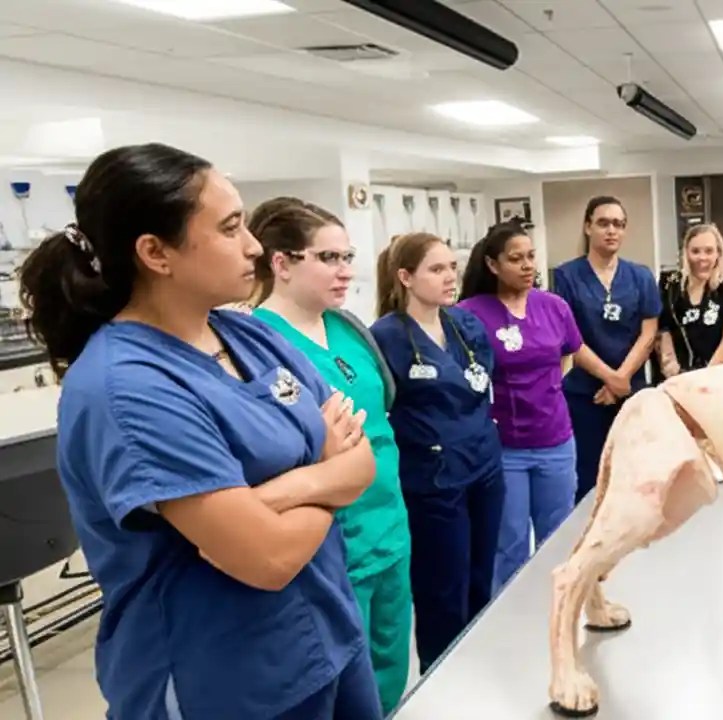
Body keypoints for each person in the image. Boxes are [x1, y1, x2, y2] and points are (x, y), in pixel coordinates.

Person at [19, 143, 382, 718]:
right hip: (221, 679)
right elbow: (266, 558)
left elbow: (362, 463)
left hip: (326, 638)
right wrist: (325, 473)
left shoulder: (248, 336)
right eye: (230, 227)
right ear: (155, 252)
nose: (255, 245)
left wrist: (281, 493)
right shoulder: (127, 388)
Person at [247, 196, 412, 715]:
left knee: (391, 660)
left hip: (389, 521)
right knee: (346, 674)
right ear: (282, 263)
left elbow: (382, 406)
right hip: (333, 536)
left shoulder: (346, 328)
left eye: (347, 257)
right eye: (329, 258)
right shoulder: (258, 343)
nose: (346, 272)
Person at [370, 232, 504, 674]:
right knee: (443, 587)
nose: (451, 277)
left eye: (452, 267)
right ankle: (444, 677)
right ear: (405, 277)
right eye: (437, 269)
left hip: (483, 466)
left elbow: (481, 383)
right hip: (433, 479)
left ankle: (482, 665)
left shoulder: (464, 325)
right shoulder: (385, 337)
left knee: (481, 577)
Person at [458, 222, 612, 590]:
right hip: (504, 445)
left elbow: (570, 352)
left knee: (557, 538)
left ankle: (559, 611)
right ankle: (510, 625)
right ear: (493, 265)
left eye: (531, 257)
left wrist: (554, 381)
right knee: (509, 543)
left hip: (555, 439)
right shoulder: (469, 313)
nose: (528, 266)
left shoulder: (553, 307)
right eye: (516, 259)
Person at [552, 196, 661, 503]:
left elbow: (648, 332)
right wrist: (608, 377)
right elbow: (569, 336)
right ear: (588, 227)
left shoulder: (640, 276)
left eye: (618, 224)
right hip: (585, 393)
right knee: (589, 477)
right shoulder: (566, 276)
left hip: (632, 392)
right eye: (603, 223)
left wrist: (622, 379)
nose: (611, 230)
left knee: (635, 475)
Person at [657, 222, 723, 376]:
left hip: (718, 376)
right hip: (680, 377)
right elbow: (664, 330)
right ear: (686, 253)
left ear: (718, 253)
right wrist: (670, 366)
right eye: (695, 251)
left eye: (709, 251)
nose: (702, 258)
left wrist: (704, 377)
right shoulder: (671, 286)